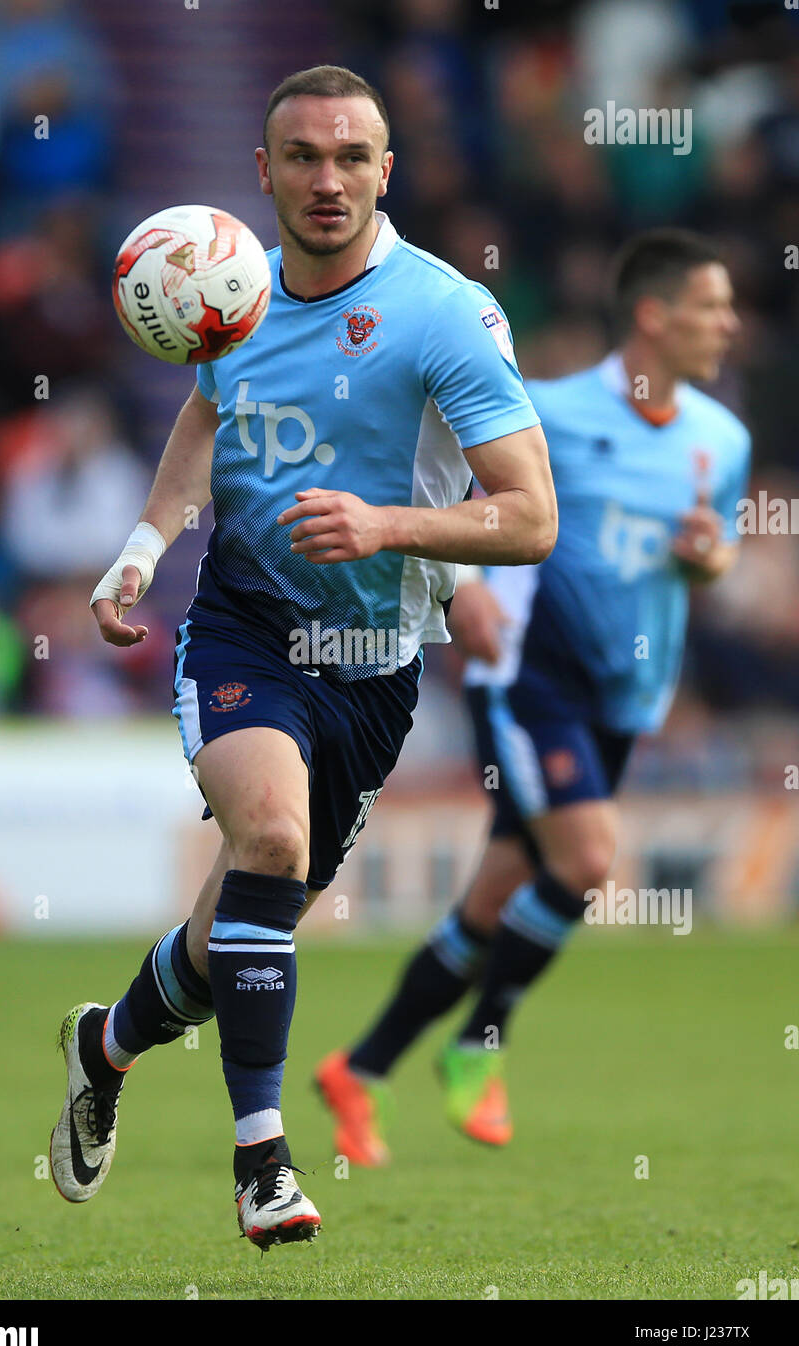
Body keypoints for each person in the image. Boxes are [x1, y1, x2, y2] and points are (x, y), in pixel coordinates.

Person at [48, 65, 556, 1248]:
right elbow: (207, 416)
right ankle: (263, 1160)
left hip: (376, 666)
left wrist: (389, 525)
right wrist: (140, 547)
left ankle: (103, 1045)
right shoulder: (223, 288)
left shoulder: (445, 313)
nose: (329, 179)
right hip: (244, 627)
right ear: (264, 171)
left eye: (353, 157)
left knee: (236, 941)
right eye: (304, 156)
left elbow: (530, 517)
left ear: (388, 170)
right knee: (270, 838)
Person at [316, 228, 749, 1165]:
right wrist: (464, 590)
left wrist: (709, 559)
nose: (729, 324)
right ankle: (480, 1043)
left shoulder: (724, 440)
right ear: (653, 315)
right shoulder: (545, 410)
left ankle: (363, 1067)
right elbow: (462, 493)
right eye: (712, 306)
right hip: (526, 673)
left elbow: (717, 562)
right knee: (589, 859)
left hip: (625, 693)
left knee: (498, 895)